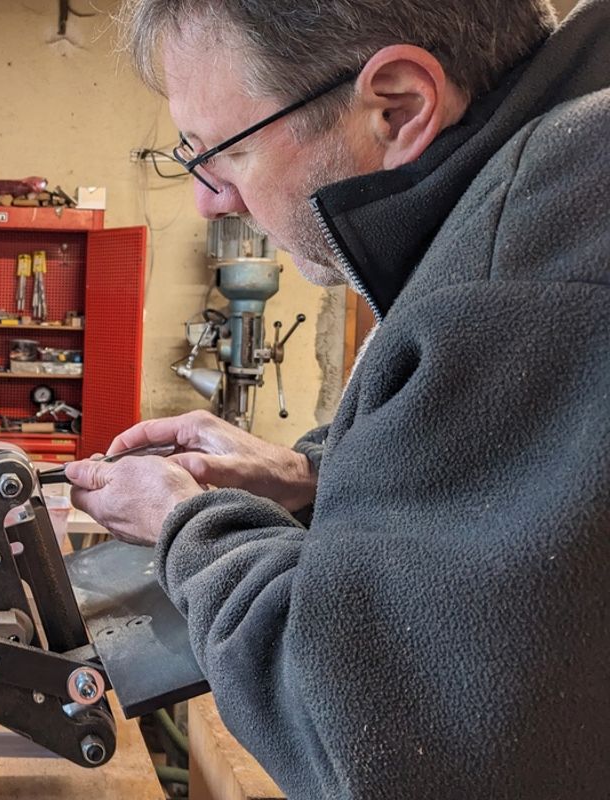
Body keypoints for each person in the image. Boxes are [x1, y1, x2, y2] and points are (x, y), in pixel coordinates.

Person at [65, 0, 610, 796]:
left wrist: (187, 524)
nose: (209, 200)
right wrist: (311, 472)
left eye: (224, 153)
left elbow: (372, 741)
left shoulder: (522, 278)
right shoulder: (553, 184)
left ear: (397, 107)